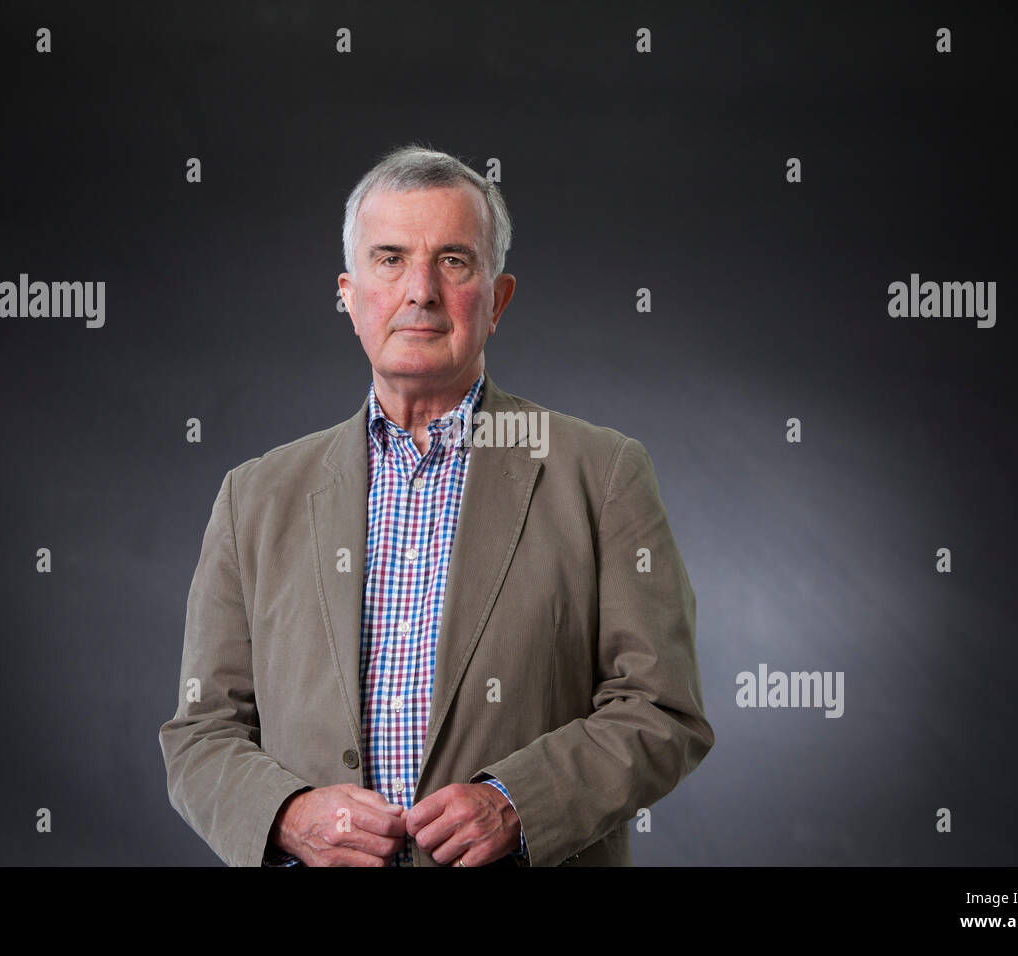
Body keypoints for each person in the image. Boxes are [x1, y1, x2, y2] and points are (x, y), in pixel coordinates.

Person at [158, 144, 713, 867]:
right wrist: (289, 816)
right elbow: (201, 733)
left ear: (497, 298)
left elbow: (663, 708)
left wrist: (520, 803)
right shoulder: (254, 497)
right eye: (389, 259)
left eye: (454, 260)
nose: (419, 289)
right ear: (349, 295)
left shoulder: (602, 473)